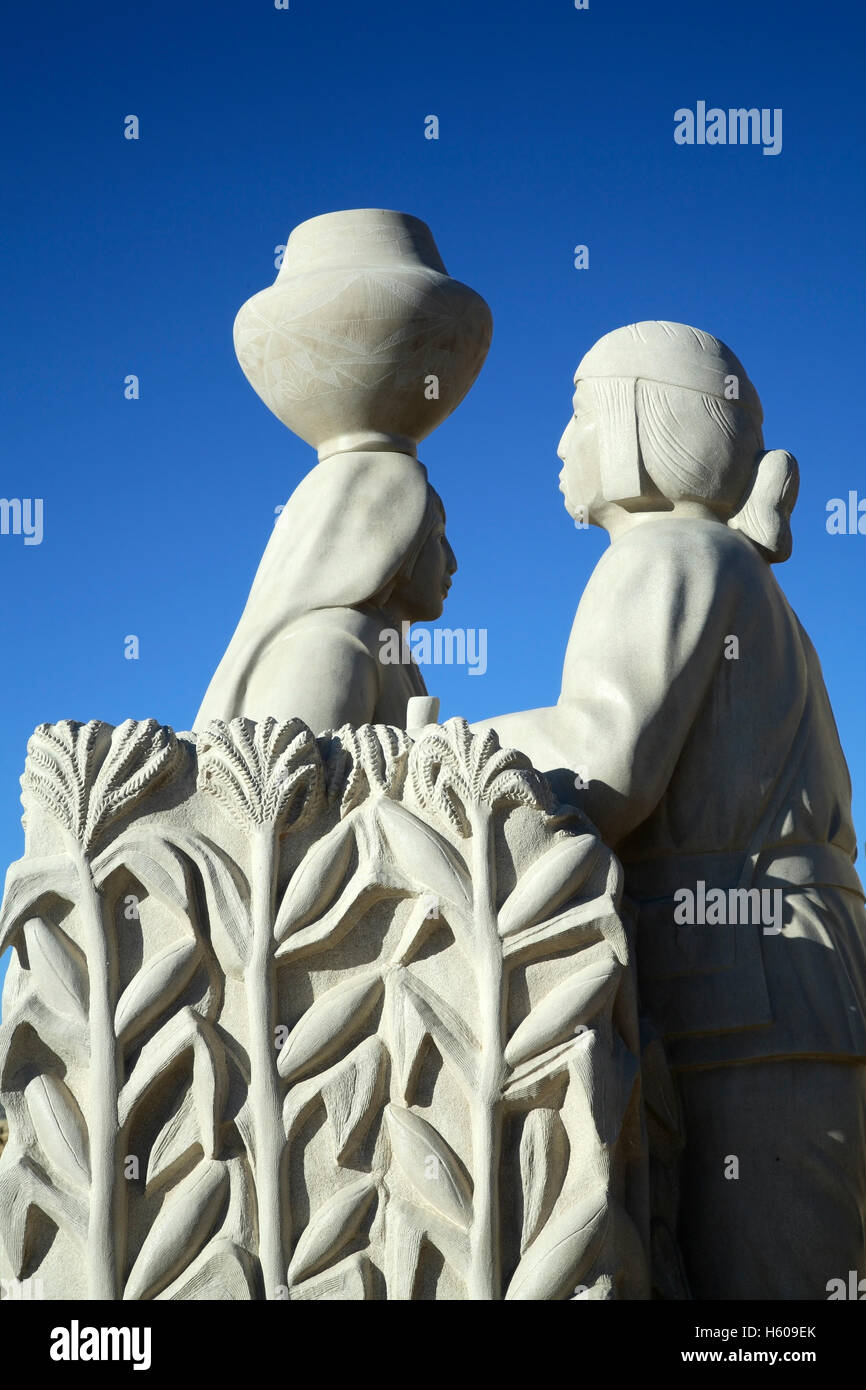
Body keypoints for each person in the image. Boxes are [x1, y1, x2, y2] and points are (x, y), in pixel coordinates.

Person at [473, 321, 866, 1299]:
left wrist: (429, 744)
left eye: (576, 412)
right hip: (783, 979)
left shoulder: (668, 553)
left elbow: (605, 762)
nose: (561, 444)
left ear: (639, 422)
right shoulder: (727, 566)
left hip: (748, 989)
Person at [194, 450, 456, 733]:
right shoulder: (332, 644)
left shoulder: (381, 641)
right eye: (439, 538)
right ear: (398, 544)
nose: (453, 563)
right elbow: (296, 769)